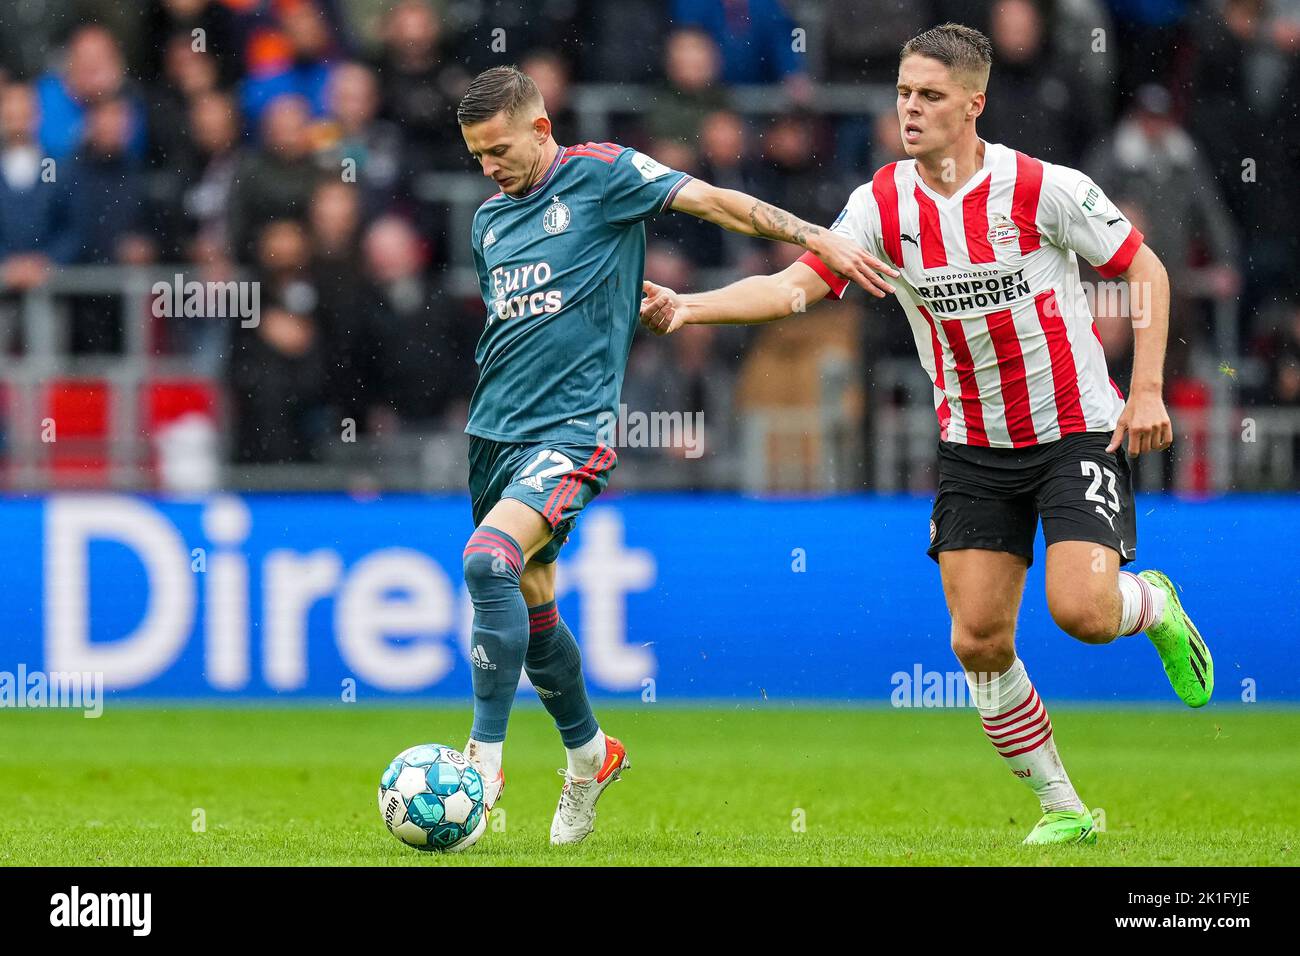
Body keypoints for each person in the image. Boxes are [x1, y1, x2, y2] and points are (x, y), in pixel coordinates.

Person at [639, 23, 1214, 846]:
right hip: (973, 447)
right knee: (977, 640)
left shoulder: (1042, 187)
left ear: (974, 104)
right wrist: (693, 306)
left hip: (1074, 429)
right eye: (904, 92)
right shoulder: (880, 205)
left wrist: (1147, 388)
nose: (911, 108)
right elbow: (798, 284)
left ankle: (1153, 604)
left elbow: (1144, 268)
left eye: (931, 96)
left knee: (1082, 612)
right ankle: (1063, 808)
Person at [455, 64, 880, 846]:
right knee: (534, 600)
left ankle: (480, 764)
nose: (489, 168)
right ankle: (591, 755)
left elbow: (715, 202)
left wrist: (813, 234)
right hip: (494, 435)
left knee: (487, 564)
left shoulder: (604, 174)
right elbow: (521, 325)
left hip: (571, 433)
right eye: (477, 156)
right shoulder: (486, 222)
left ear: (541, 129)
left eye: (499, 149)